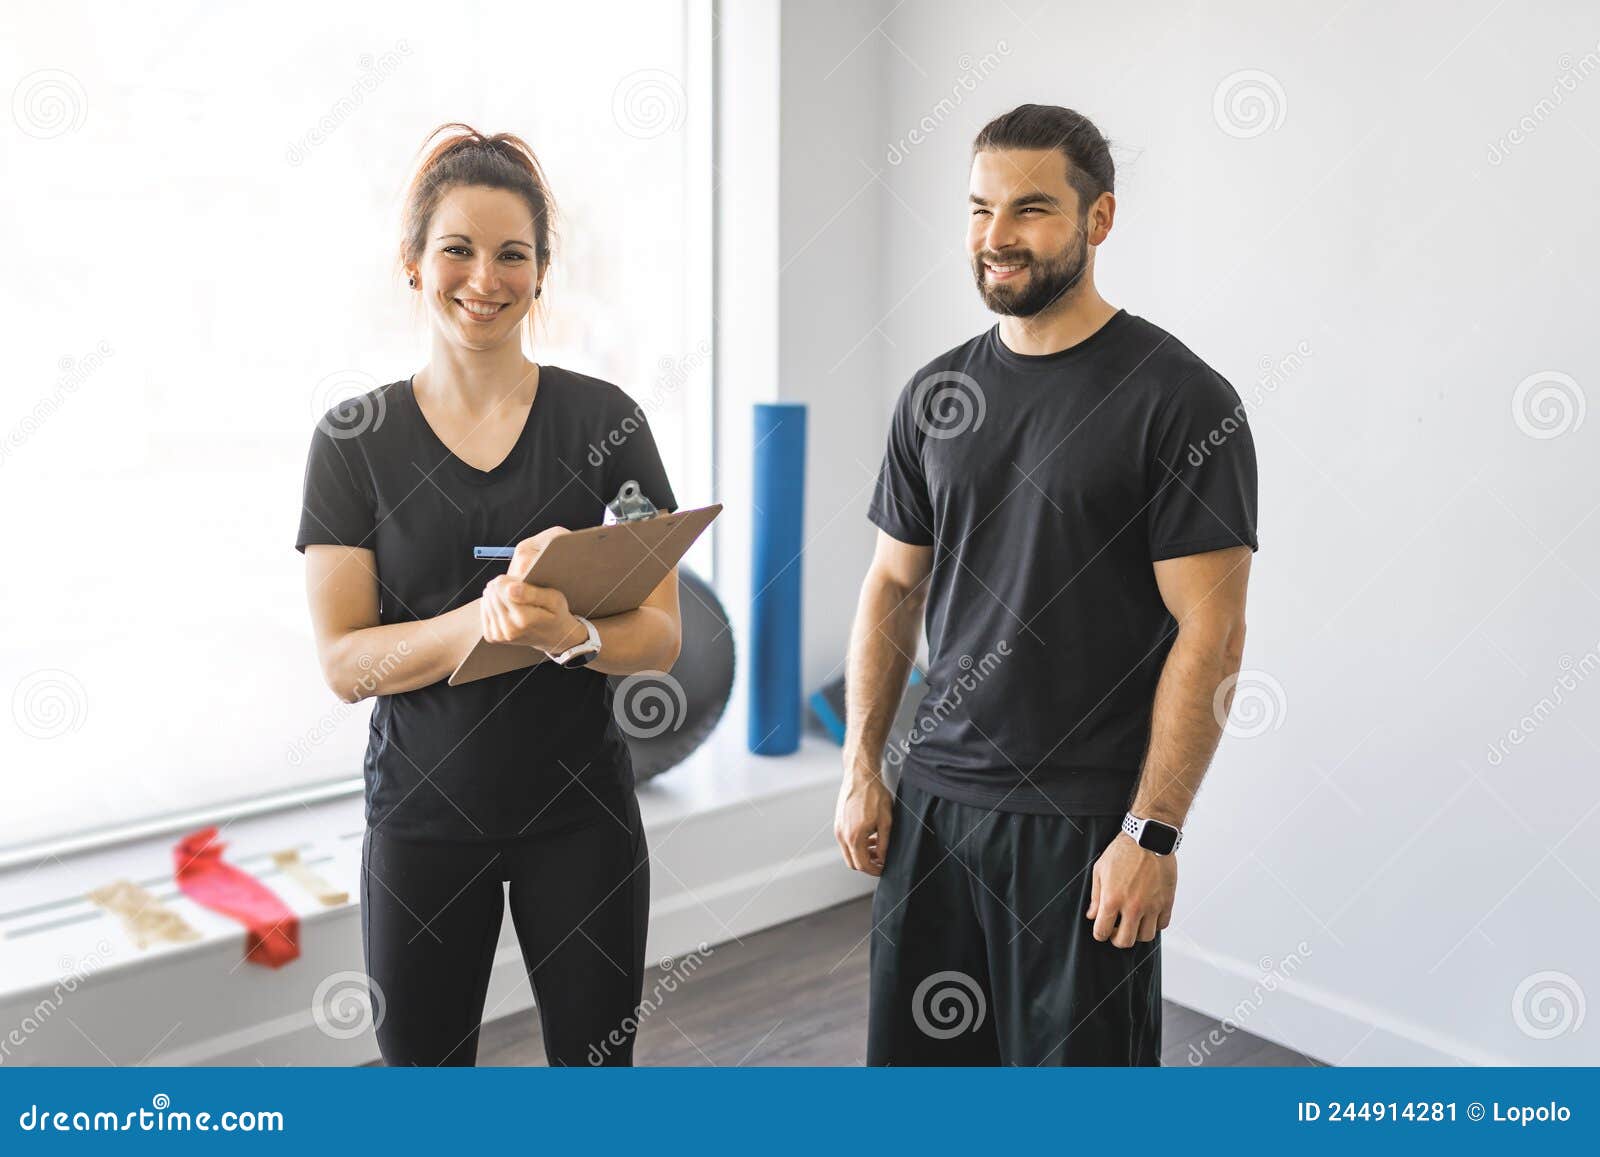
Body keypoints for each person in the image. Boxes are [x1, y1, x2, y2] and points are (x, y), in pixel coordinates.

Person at [835, 104, 1259, 1065]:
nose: (996, 237)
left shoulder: (1181, 399)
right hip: (934, 807)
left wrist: (1151, 833)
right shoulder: (937, 396)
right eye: (980, 209)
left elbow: (1215, 633)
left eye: (1030, 209)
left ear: (1099, 220)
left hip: (1081, 822)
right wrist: (865, 764)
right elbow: (893, 587)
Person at [295, 124, 680, 1066]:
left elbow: (663, 635)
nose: (485, 277)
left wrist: (574, 630)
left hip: (580, 818)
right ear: (414, 265)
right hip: (423, 824)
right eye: (457, 249)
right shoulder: (354, 440)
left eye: (514, 254)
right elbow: (346, 665)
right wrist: (486, 619)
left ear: (542, 271)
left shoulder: (607, 422)